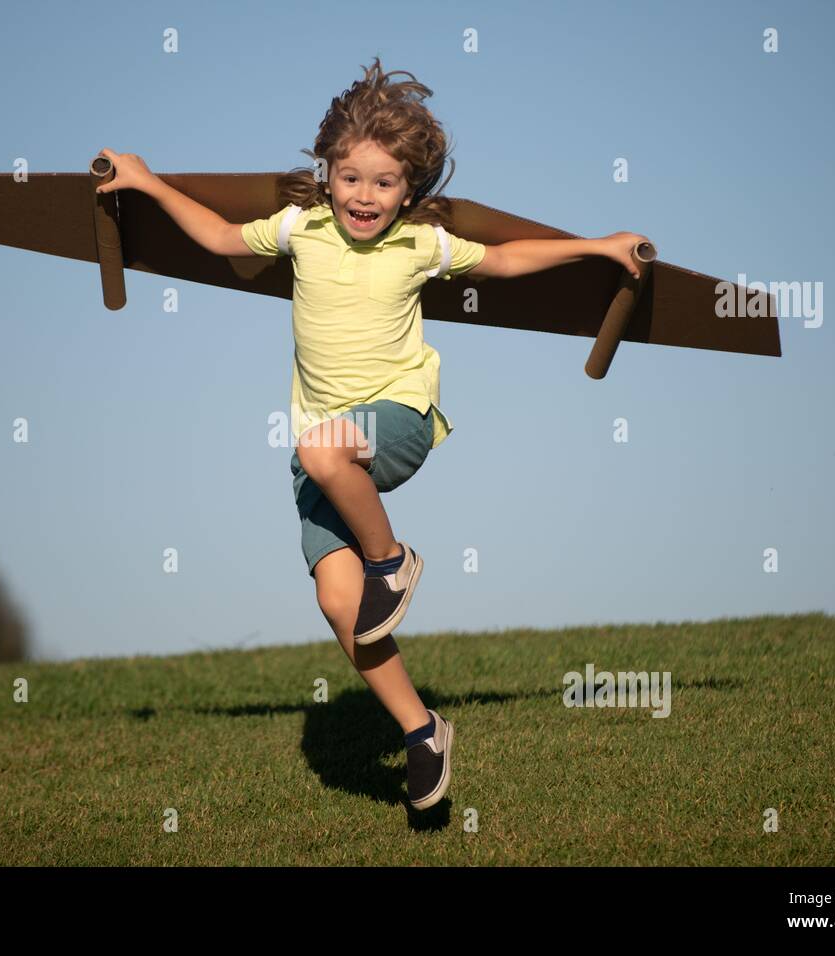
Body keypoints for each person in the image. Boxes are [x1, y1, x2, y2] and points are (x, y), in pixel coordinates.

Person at [94, 58, 647, 811]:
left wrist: (597, 245)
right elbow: (222, 238)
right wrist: (148, 182)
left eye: (384, 183)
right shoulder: (301, 229)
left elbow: (510, 260)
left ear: (408, 192)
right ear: (326, 175)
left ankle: (394, 559)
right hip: (320, 458)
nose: (365, 196)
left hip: (396, 420)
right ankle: (423, 734)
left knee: (328, 457)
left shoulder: (419, 245)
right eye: (351, 178)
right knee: (337, 600)